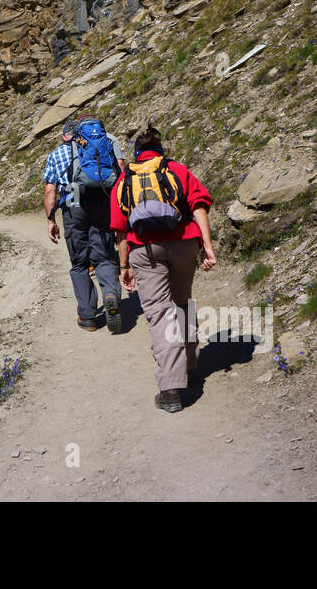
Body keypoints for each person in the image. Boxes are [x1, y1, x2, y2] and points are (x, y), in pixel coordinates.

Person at [111, 124, 216, 412]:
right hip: (184, 244)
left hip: (144, 250)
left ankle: (170, 389)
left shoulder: (124, 180)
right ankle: (189, 365)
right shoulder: (177, 170)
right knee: (182, 304)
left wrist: (124, 266)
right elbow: (199, 207)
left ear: (136, 154)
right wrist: (207, 246)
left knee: (159, 314)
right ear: (159, 152)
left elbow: (120, 230)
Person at [44, 114, 126, 333]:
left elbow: (50, 190)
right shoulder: (105, 144)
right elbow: (120, 171)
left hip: (73, 200)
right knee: (104, 256)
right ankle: (110, 293)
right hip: (100, 198)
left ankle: (88, 317)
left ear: (66, 135)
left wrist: (51, 219)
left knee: (80, 263)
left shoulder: (57, 154)